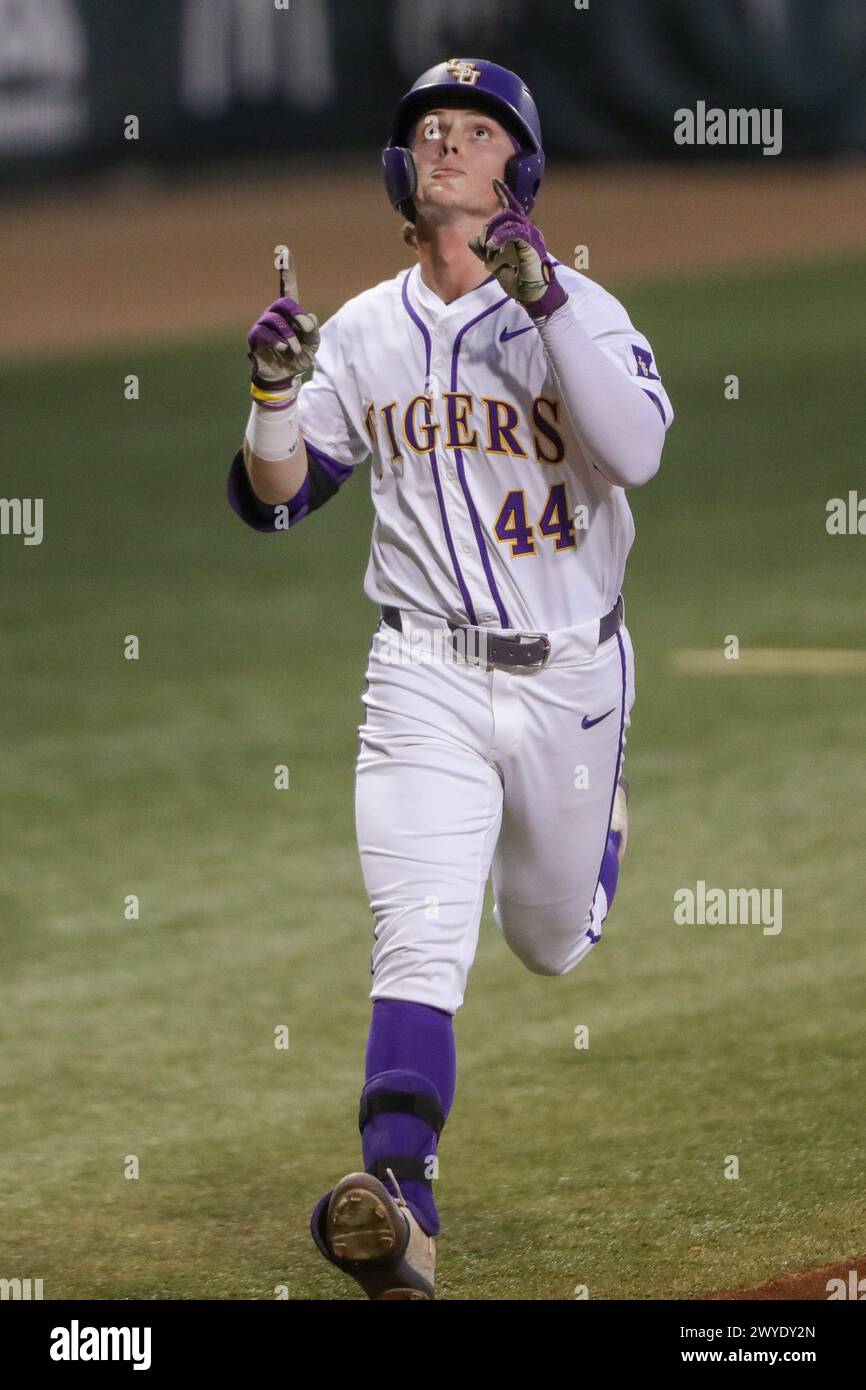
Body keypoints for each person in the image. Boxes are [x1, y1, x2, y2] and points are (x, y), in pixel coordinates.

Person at [227, 57, 674, 1300]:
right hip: (416, 673)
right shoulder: (367, 330)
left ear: (516, 174)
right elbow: (276, 503)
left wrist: (546, 309)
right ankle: (401, 1201)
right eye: (429, 129)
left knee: (546, 944)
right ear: (398, 169)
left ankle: (598, 838)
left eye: (476, 133)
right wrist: (272, 397)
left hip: (569, 678)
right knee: (418, 941)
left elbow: (631, 450)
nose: (446, 145)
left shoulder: (581, 309)